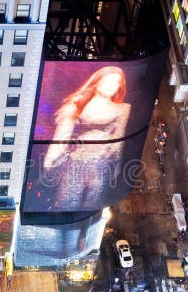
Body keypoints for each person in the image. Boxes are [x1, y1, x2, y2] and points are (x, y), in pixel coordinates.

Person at [35, 66, 132, 211]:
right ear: (97, 82)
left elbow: (118, 140)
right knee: (66, 206)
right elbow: (62, 136)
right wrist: (49, 160)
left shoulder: (123, 109)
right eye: (106, 81)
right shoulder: (76, 106)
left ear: (120, 85)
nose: (110, 86)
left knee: (91, 207)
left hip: (101, 167)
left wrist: (116, 167)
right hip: (76, 164)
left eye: (116, 82)